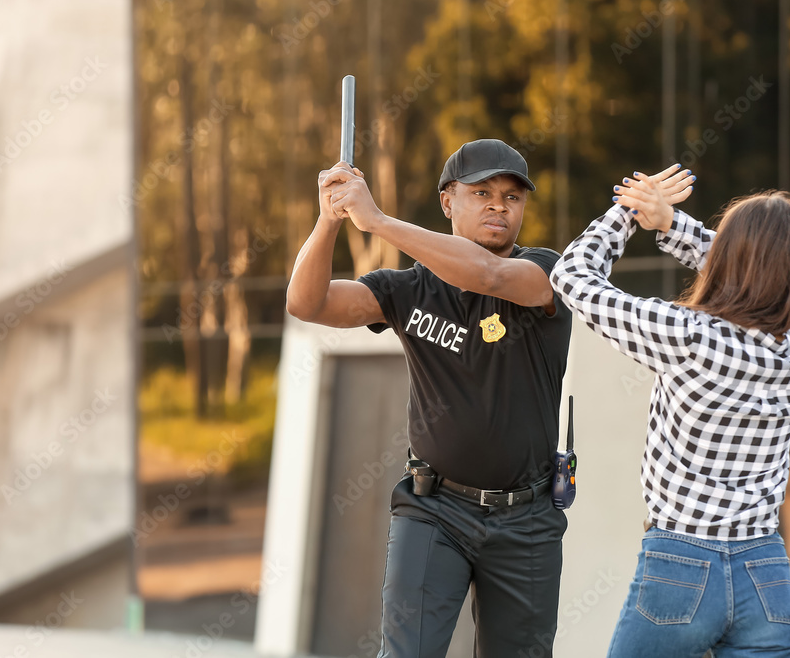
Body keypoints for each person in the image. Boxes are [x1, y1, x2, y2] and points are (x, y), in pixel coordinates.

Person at [286, 139, 691, 656]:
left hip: (527, 520)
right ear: (447, 201)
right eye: (482, 192)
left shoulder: (548, 270)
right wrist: (330, 220)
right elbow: (307, 301)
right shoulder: (407, 289)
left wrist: (379, 222)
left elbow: (487, 273)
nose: (499, 205)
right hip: (434, 511)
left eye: (512, 197)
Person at [550, 173, 790, 657]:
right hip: (764, 567)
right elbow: (757, 277)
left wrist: (629, 212)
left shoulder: (688, 334)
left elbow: (571, 277)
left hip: (678, 564)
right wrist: (672, 223)